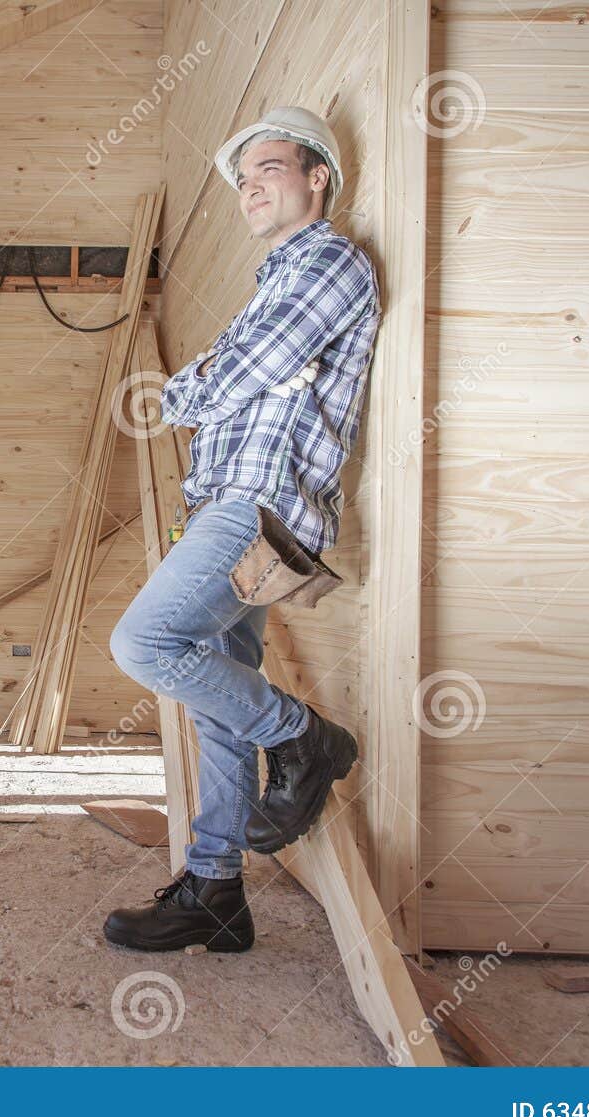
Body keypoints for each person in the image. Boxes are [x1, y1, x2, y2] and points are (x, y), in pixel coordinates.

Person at [103, 105, 380, 953]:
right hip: (228, 503)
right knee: (218, 700)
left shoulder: (331, 263)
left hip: (258, 508)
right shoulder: (272, 282)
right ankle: (216, 889)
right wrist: (210, 380)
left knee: (144, 644)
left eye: (268, 168)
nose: (250, 187)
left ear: (316, 176)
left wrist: (200, 383)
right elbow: (218, 378)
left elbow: (221, 382)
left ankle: (310, 739)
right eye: (242, 179)